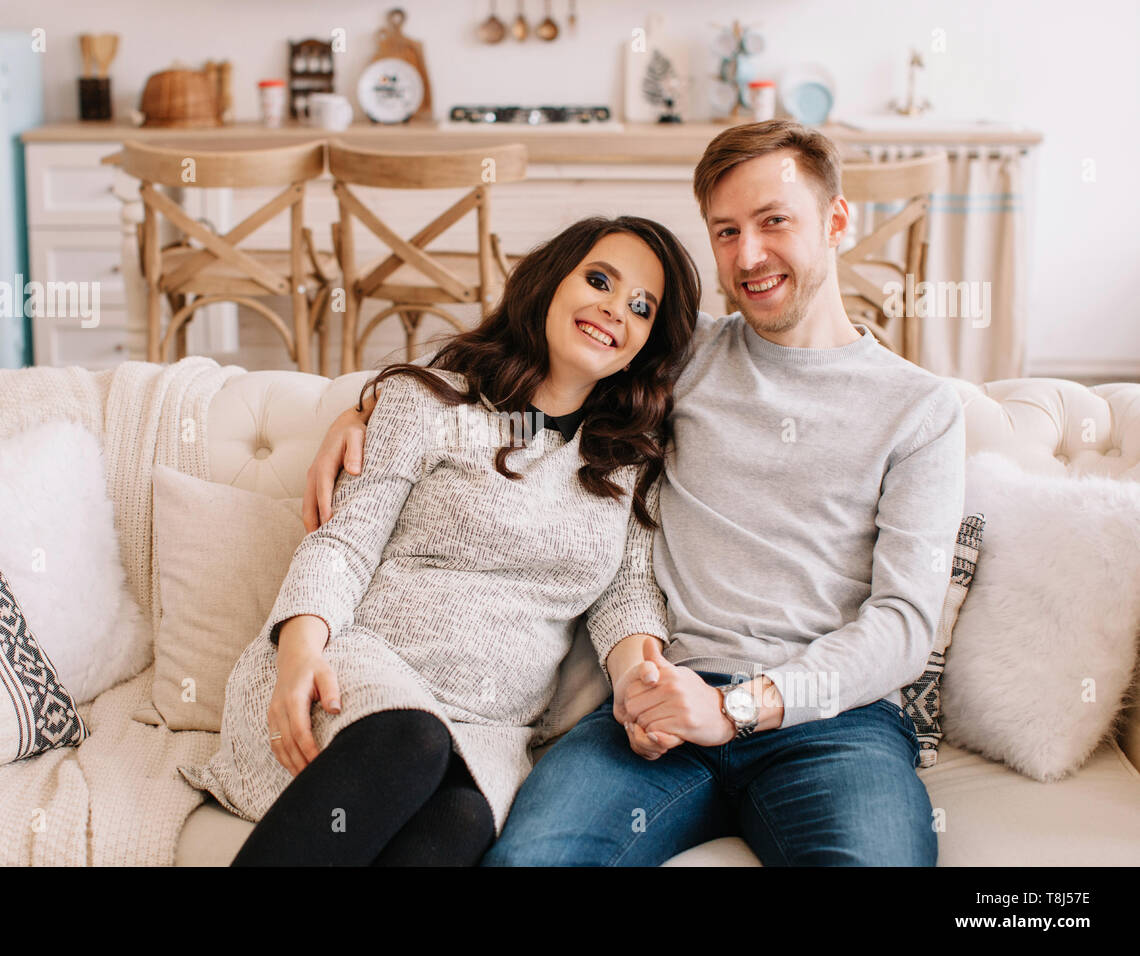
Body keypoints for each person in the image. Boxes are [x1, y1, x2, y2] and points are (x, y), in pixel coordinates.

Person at [304, 120, 966, 866]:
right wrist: (368, 405)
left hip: (831, 725)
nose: (749, 256)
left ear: (837, 221)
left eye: (774, 221)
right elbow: (522, 374)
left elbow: (905, 622)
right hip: (656, 707)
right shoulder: (676, 354)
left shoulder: (922, 410)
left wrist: (740, 709)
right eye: (726, 231)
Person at [177, 215, 702, 865]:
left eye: (641, 307)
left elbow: (624, 593)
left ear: (646, 343)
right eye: (599, 280)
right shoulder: (430, 400)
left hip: (487, 729)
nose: (613, 309)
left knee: (458, 821)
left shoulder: (630, 460)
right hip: (363, 674)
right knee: (411, 740)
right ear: (550, 282)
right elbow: (347, 541)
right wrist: (298, 650)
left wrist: (638, 678)